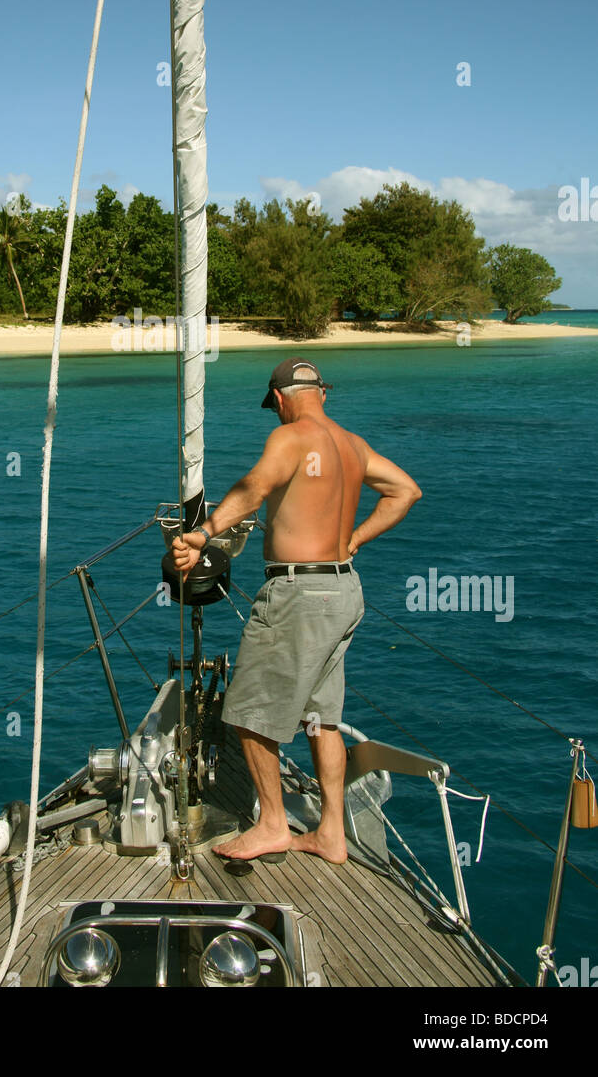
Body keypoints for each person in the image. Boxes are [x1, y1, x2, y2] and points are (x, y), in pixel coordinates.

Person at [170, 357, 422, 863]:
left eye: (275, 406)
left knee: (248, 714)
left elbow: (253, 490)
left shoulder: (289, 438)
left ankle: (272, 826)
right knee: (321, 719)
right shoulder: (353, 445)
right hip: (344, 589)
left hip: (299, 596)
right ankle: (331, 833)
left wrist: (203, 534)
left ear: (281, 399)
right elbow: (405, 490)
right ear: (322, 394)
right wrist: (355, 538)